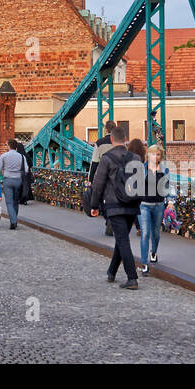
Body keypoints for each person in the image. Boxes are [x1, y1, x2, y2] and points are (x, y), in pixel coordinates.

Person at [86, 122, 141, 288]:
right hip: (132, 205)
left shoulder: (107, 158)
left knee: (122, 239)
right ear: (125, 139)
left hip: (113, 204)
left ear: (111, 139)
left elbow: (98, 184)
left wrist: (94, 206)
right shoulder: (136, 158)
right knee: (121, 238)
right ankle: (112, 272)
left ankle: (132, 278)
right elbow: (142, 183)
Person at [137, 143, 170, 272]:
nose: (155, 156)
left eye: (158, 154)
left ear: (160, 156)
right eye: (152, 153)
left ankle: (153, 252)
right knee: (145, 233)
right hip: (143, 205)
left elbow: (167, 187)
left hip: (158, 205)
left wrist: (171, 200)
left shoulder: (164, 170)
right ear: (148, 155)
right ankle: (144, 263)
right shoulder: (141, 168)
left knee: (155, 232)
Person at [0, 142, 28, 230]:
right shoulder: (22, 156)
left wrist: (3, 172)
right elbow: (26, 169)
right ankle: (14, 220)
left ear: (9, 146)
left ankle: (13, 221)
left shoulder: (4, 156)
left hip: (8, 180)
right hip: (18, 180)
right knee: (15, 201)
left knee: (9, 202)